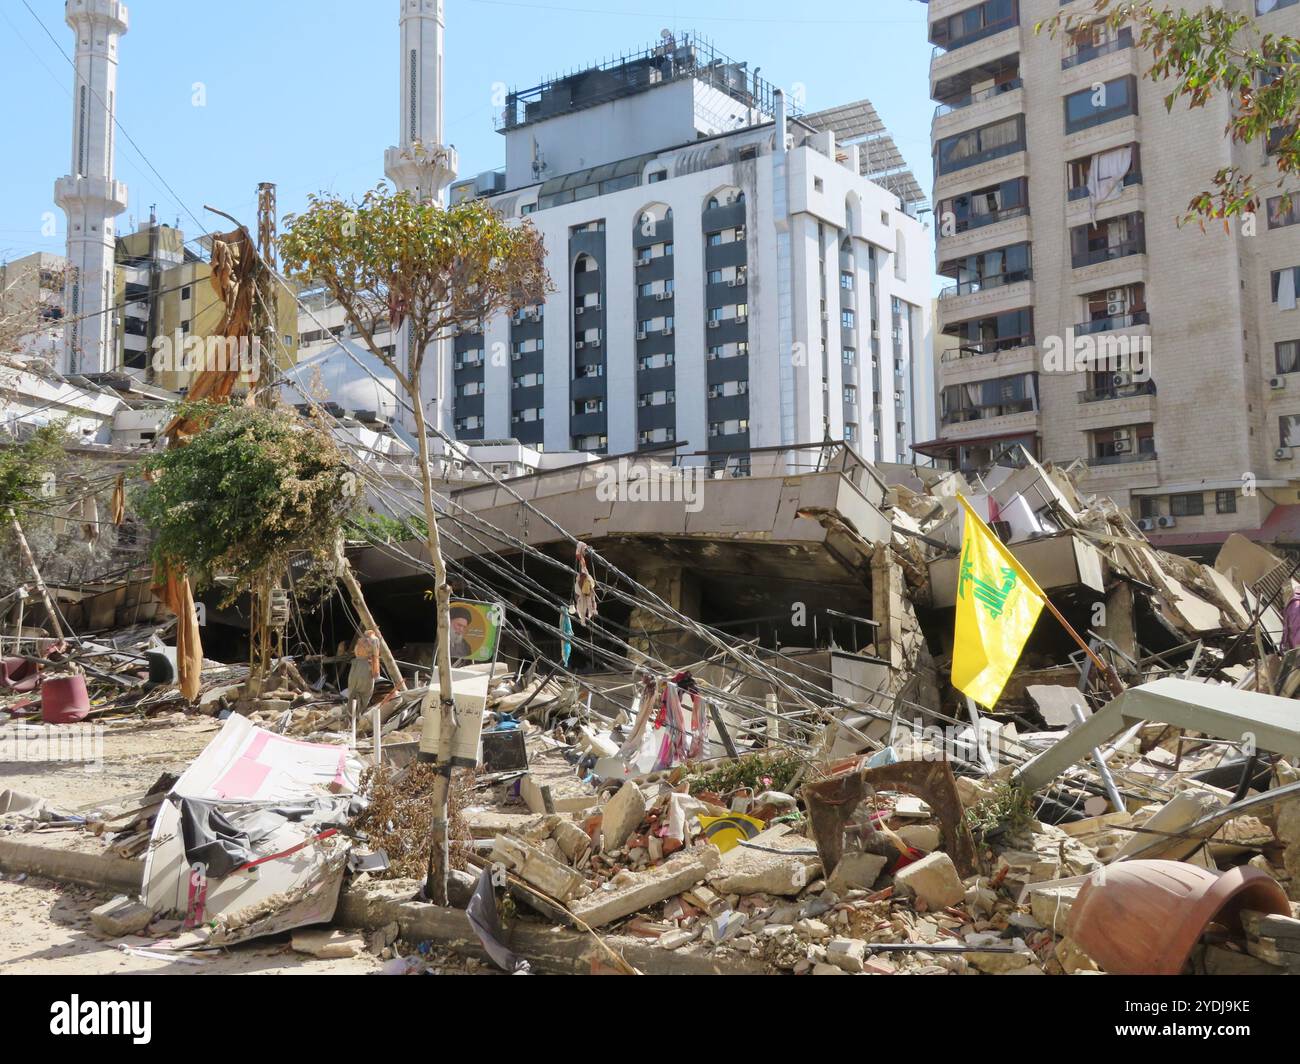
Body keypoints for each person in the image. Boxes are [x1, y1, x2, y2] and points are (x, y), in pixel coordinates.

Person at [347, 627, 381, 747]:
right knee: (365, 694)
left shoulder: (360, 640)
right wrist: (376, 673)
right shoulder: (375, 640)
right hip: (365, 667)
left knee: (353, 693)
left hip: (355, 667)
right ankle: (358, 721)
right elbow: (375, 657)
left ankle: (351, 720)